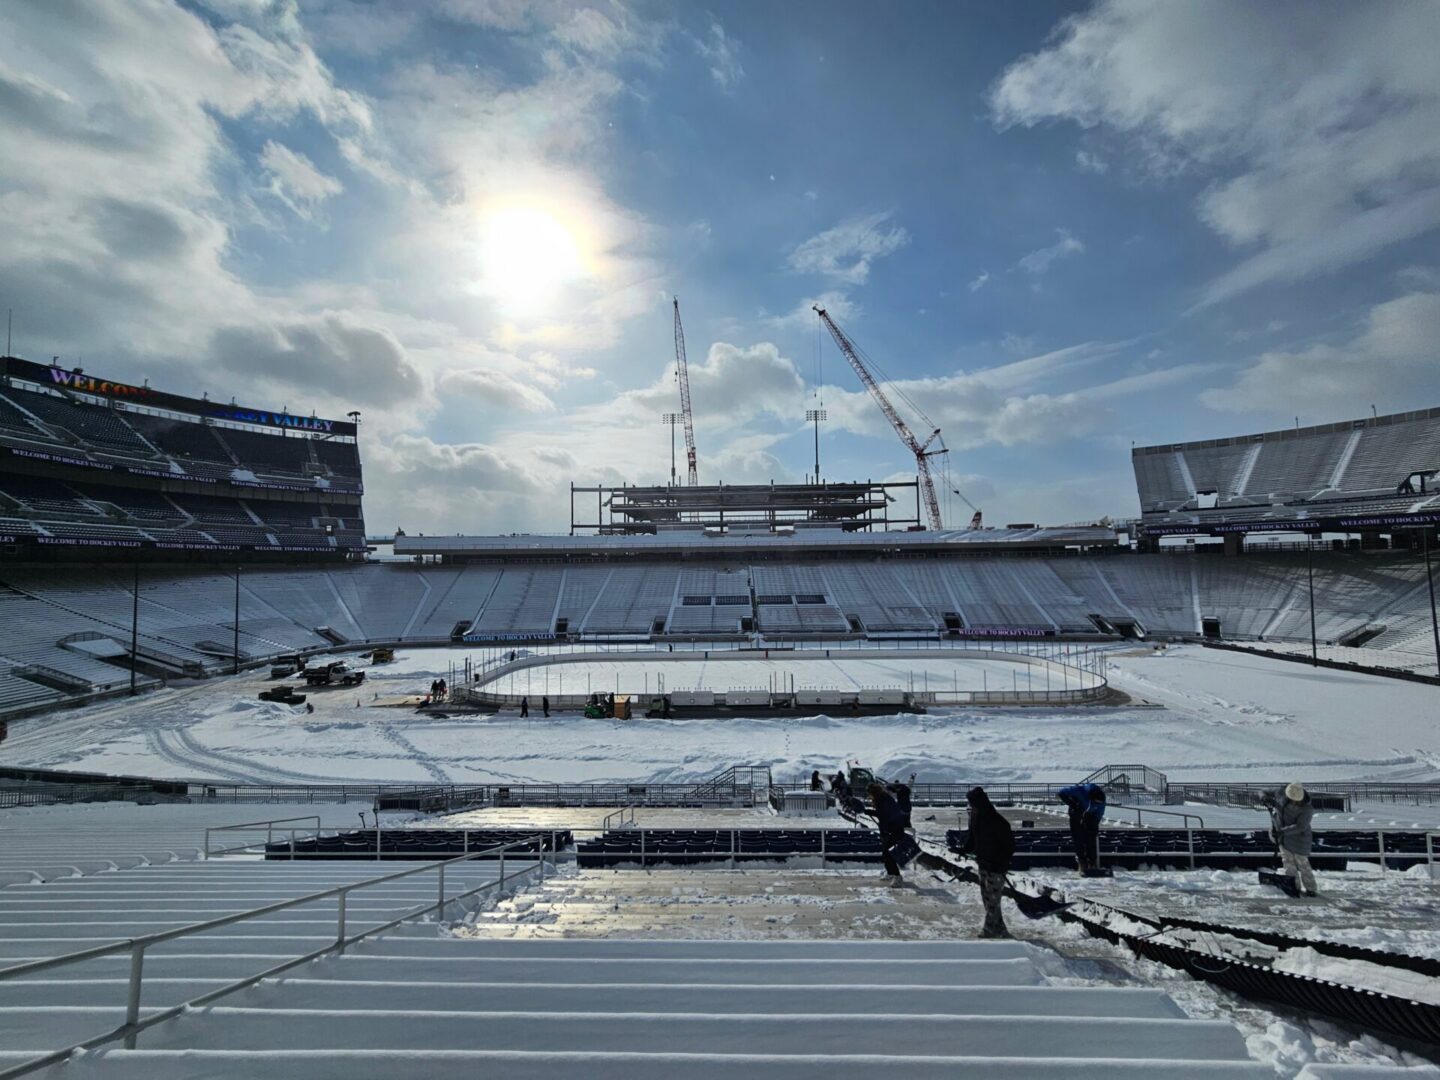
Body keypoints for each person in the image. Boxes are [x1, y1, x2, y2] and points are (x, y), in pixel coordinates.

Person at [957, 786, 1014, 938]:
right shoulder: (976, 817)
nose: (970, 807)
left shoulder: (998, 822)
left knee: (993, 900)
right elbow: (973, 837)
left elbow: (1008, 847)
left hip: (996, 867)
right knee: (988, 899)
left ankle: (989, 929)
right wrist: (964, 849)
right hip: (982, 864)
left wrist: (1001, 864)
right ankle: (1000, 928)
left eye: (972, 803)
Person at [1268, 782, 1317, 896]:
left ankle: (1311, 889)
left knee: (1303, 865)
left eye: (1297, 800)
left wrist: (1282, 832)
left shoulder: (1307, 809)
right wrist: (1265, 798)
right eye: (1292, 799)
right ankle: (1294, 887)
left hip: (1299, 841)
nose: (1294, 802)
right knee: (1288, 865)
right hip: (1283, 839)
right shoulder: (1281, 794)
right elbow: (1263, 791)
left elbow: (1301, 826)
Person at [1057, 781, 1106, 873]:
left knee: (1091, 838)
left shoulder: (1101, 800)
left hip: (1091, 816)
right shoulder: (1079, 790)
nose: (1097, 803)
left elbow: (1100, 812)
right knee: (1078, 838)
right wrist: (1073, 804)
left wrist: (1095, 824)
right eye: (1095, 802)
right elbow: (1061, 793)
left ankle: (1092, 862)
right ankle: (1082, 862)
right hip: (1076, 814)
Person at [869, 782, 909, 884]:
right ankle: (891, 873)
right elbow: (882, 814)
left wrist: (886, 831)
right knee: (886, 854)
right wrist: (868, 812)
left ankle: (897, 876)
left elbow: (884, 815)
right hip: (892, 830)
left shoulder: (883, 800)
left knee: (889, 854)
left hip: (894, 830)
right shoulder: (883, 798)